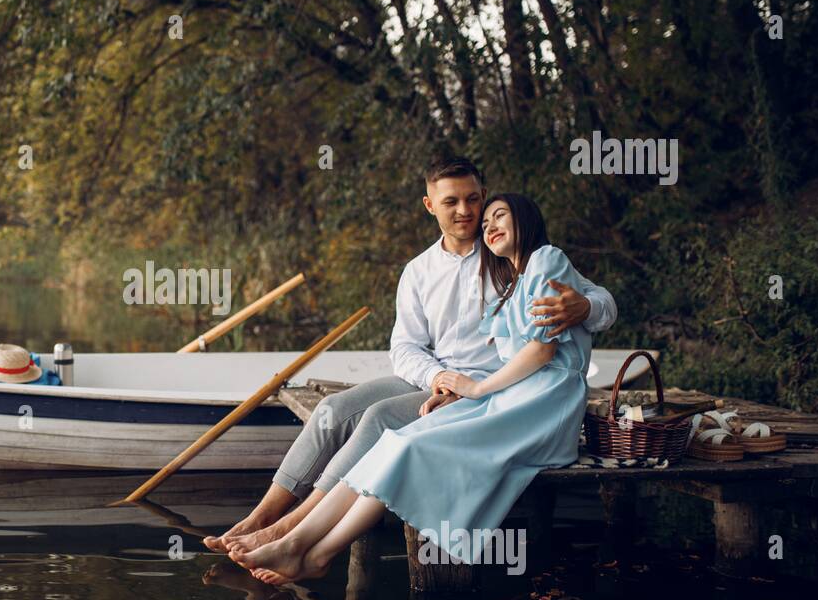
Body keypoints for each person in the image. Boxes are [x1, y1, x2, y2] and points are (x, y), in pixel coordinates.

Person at [204, 158, 616, 554]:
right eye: (451, 202)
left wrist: (586, 308)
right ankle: (259, 519)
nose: (465, 211)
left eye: (473, 199)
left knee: (379, 418)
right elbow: (404, 347)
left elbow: (599, 300)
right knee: (333, 408)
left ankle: (291, 528)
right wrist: (437, 378)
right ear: (429, 205)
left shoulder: (509, 254)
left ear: (484, 195)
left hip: (489, 386)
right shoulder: (419, 270)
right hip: (434, 378)